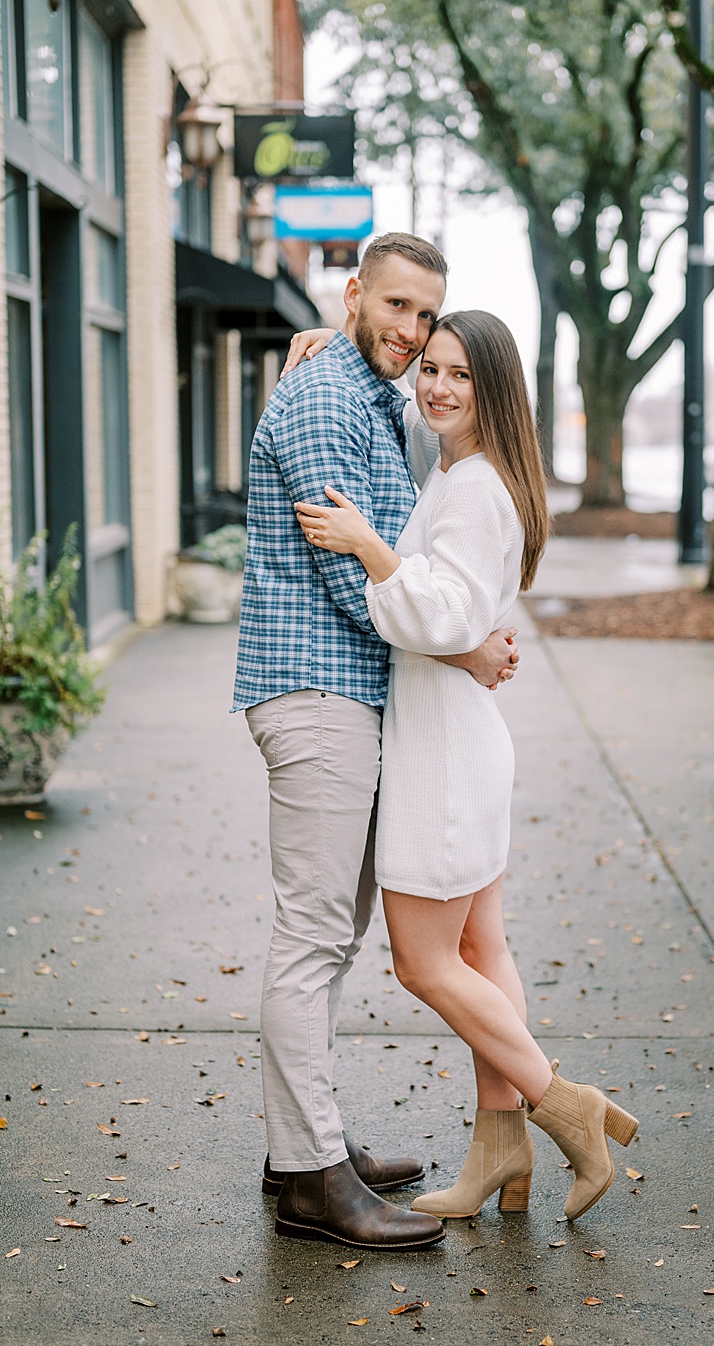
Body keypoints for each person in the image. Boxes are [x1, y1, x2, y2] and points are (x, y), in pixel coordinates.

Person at [295, 310, 638, 1224]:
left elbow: (444, 618)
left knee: (423, 962)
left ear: (496, 389)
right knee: (482, 950)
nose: (437, 388)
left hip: (445, 755)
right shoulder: (462, 466)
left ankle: (566, 1107)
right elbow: (388, 407)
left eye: (460, 375)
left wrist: (369, 547)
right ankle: (499, 1151)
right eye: (431, 369)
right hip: (459, 735)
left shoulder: (479, 488)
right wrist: (331, 338)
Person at [233, 234, 520, 1253]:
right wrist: (465, 654)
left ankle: (301, 1142)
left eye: (421, 315)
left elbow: (413, 532)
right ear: (353, 294)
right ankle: (311, 1178)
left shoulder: (365, 392)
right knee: (312, 936)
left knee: (330, 935)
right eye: (391, 306)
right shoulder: (322, 400)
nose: (406, 330)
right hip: (314, 691)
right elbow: (349, 585)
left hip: (349, 697)